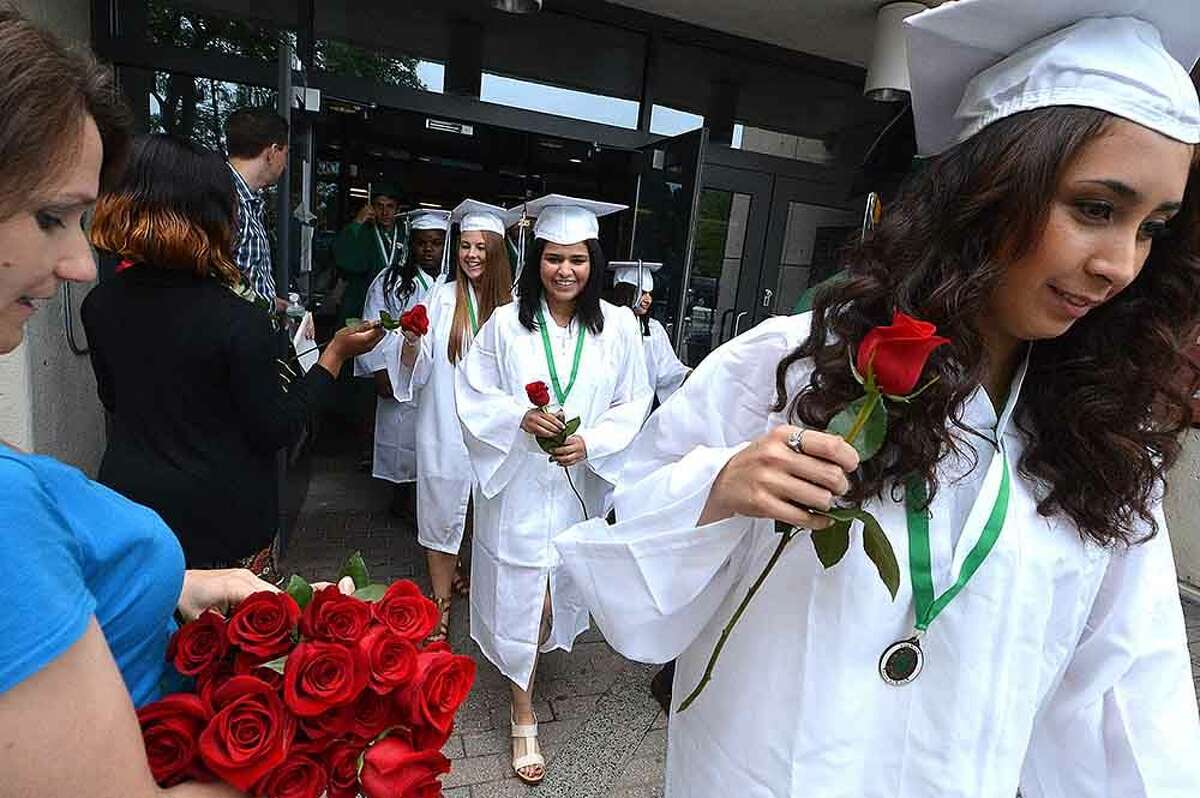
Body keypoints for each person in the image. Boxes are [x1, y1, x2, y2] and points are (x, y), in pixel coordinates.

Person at [555, 1, 1200, 795]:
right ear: (990, 192)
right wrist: (717, 489)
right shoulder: (789, 371)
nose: (1121, 264)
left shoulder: (1102, 444)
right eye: (1096, 209)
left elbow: (1128, 703)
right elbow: (627, 591)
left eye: (1152, 228)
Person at [0, 7, 278, 796]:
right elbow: (275, 425)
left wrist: (182, 584)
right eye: (50, 217)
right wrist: (305, 751)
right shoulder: (6, 517)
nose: (82, 263)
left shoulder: (105, 310)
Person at [82, 134, 384, 569]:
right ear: (214, 216)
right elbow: (276, 428)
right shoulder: (238, 320)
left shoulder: (101, 304)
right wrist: (333, 355)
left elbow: (114, 400)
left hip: (132, 517)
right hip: (222, 528)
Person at [455, 195, 652, 784]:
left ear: (593, 262)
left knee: (549, 598)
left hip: (574, 487)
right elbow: (473, 393)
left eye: (578, 259)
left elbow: (634, 400)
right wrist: (517, 416)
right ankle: (522, 712)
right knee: (520, 590)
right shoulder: (505, 323)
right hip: (515, 487)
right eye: (553, 258)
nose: (565, 271)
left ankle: (527, 661)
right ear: (535, 258)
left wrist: (593, 442)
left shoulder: (617, 326)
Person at [389, 199, 514, 642]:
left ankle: (488, 607)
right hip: (445, 430)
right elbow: (418, 368)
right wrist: (408, 345)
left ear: (498, 250)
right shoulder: (441, 299)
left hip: (496, 439)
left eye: (481, 246)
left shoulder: (514, 308)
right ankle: (439, 609)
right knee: (440, 520)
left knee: (492, 527)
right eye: (465, 246)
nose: (472, 254)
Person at [356, 208, 449, 518]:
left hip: (439, 375)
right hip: (399, 372)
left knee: (434, 439)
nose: (428, 249)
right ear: (412, 244)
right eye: (422, 242)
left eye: (436, 243)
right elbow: (372, 324)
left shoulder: (453, 283)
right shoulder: (392, 280)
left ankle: (427, 502)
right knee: (402, 435)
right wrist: (378, 370)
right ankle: (402, 500)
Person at [225, 106, 289, 310]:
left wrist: (273, 305)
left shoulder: (249, 201)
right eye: (285, 153)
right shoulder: (225, 200)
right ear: (272, 152)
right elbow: (217, 288)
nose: (285, 164)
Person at [610, 260, 690, 404]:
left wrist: (690, 375)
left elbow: (668, 369)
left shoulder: (653, 330)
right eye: (642, 293)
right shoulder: (605, 325)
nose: (648, 299)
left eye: (649, 294)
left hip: (639, 408)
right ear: (626, 293)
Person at [333, 183, 403, 329]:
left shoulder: (405, 233)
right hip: (361, 300)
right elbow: (343, 259)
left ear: (398, 209)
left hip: (396, 302)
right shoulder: (363, 230)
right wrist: (358, 222)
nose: (385, 212)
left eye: (390, 206)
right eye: (379, 206)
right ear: (371, 207)